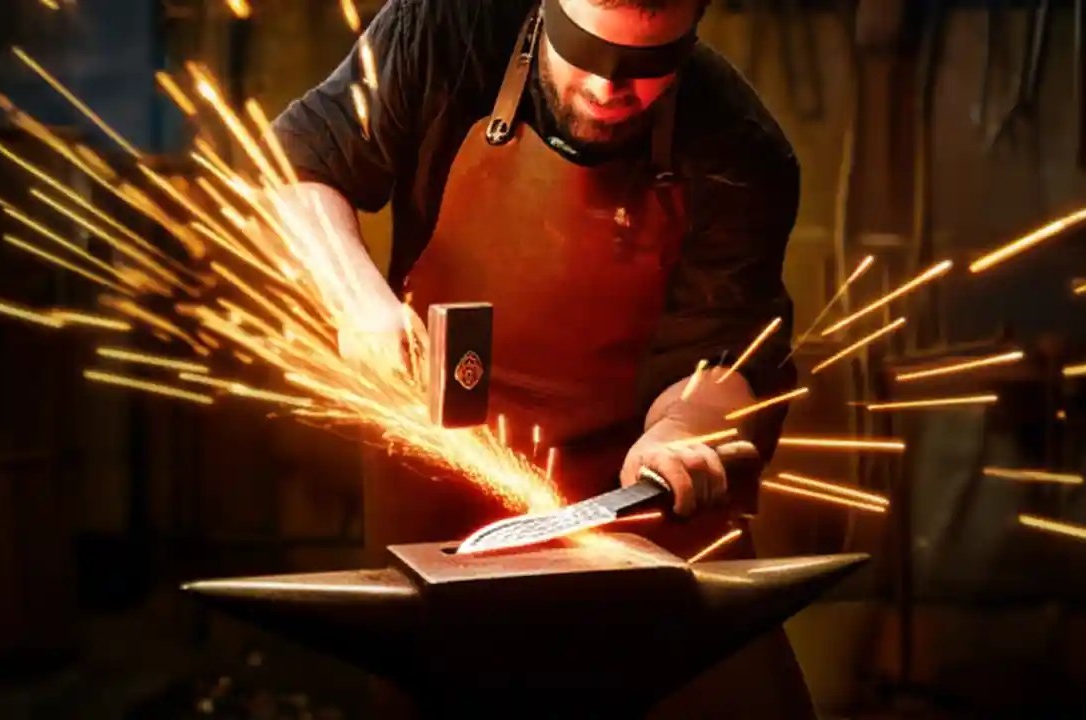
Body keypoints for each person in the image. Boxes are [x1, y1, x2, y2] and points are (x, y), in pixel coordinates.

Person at [273, 1, 815, 716]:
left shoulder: (741, 149)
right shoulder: (447, 29)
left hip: (632, 488)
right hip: (441, 457)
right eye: (582, 49)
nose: (604, 87)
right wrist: (357, 300)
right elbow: (296, 171)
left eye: (644, 70)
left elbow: (721, 353)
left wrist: (683, 434)